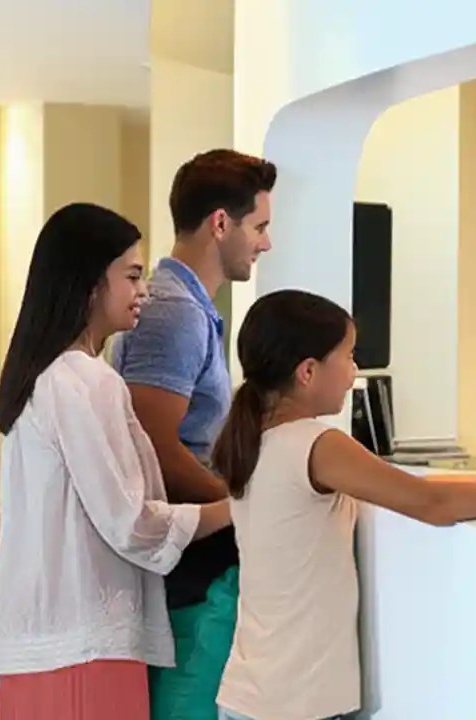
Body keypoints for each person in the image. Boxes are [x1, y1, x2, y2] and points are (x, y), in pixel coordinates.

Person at [211, 289, 476, 720]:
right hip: (294, 705)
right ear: (308, 371)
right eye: (347, 356)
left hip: (250, 697)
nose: (354, 371)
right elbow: (429, 502)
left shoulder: (256, 441)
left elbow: (398, 486)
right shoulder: (315, 444)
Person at [0, 203, 231, 720]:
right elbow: (131, 521)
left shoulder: (44, 378)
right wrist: (230, 510)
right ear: (90, 284)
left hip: (39, 640)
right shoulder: (86, 381)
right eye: (133, 276)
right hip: (87, 641)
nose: (143, 291)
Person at [108, 149, 277, 717]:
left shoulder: (186, 308)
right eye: (260, 226)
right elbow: (154, 448)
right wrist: (237, 508)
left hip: (192, 549)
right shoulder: (175, 311)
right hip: (187, 555)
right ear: (221, 224)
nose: (265, 243)